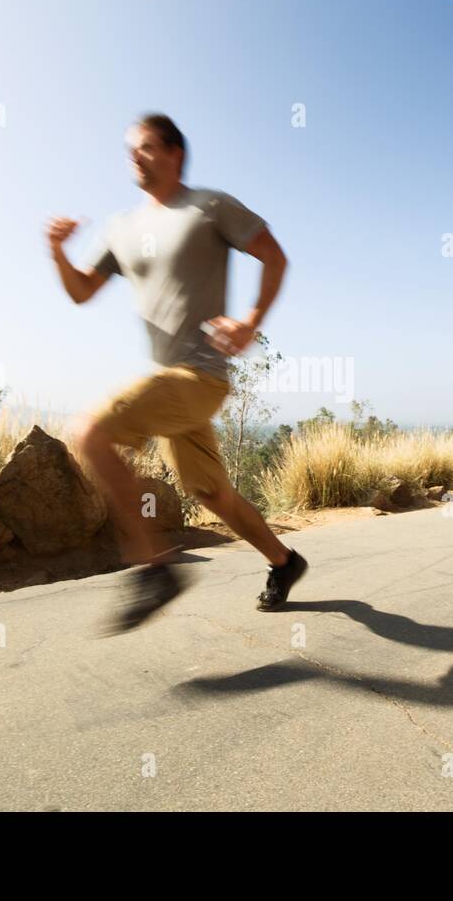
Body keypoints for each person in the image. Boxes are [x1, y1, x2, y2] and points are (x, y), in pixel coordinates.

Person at [46, 113, 307, 635]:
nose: (133, 158)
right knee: (211, 493)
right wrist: (57, 249)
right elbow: (81, 292)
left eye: (143, 148)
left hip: (201, 374)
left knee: (91, 433)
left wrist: (251, 321)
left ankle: (155, 568)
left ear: (174, 154)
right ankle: (284, 562)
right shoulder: (122, 228)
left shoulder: (207, 207)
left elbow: (274, 256)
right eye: (128, 151)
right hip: (170, 381)